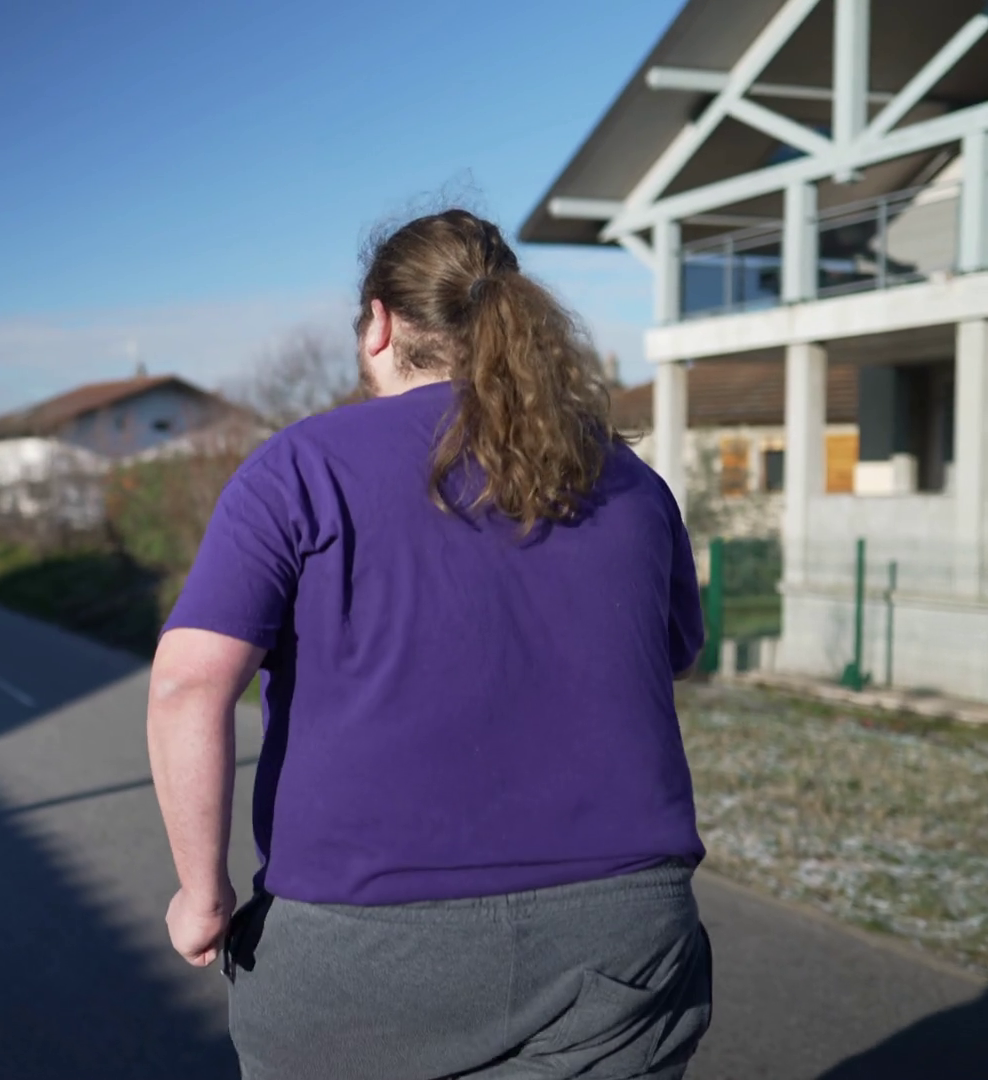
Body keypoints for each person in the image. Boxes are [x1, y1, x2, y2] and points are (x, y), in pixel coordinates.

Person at [147, 209, 711, 1080]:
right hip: (620, 936)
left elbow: (189, 683)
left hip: (362, 953)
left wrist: (201, 892)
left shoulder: (302, 465)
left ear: (379, 324)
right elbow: (668, 653)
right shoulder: (627, 479)